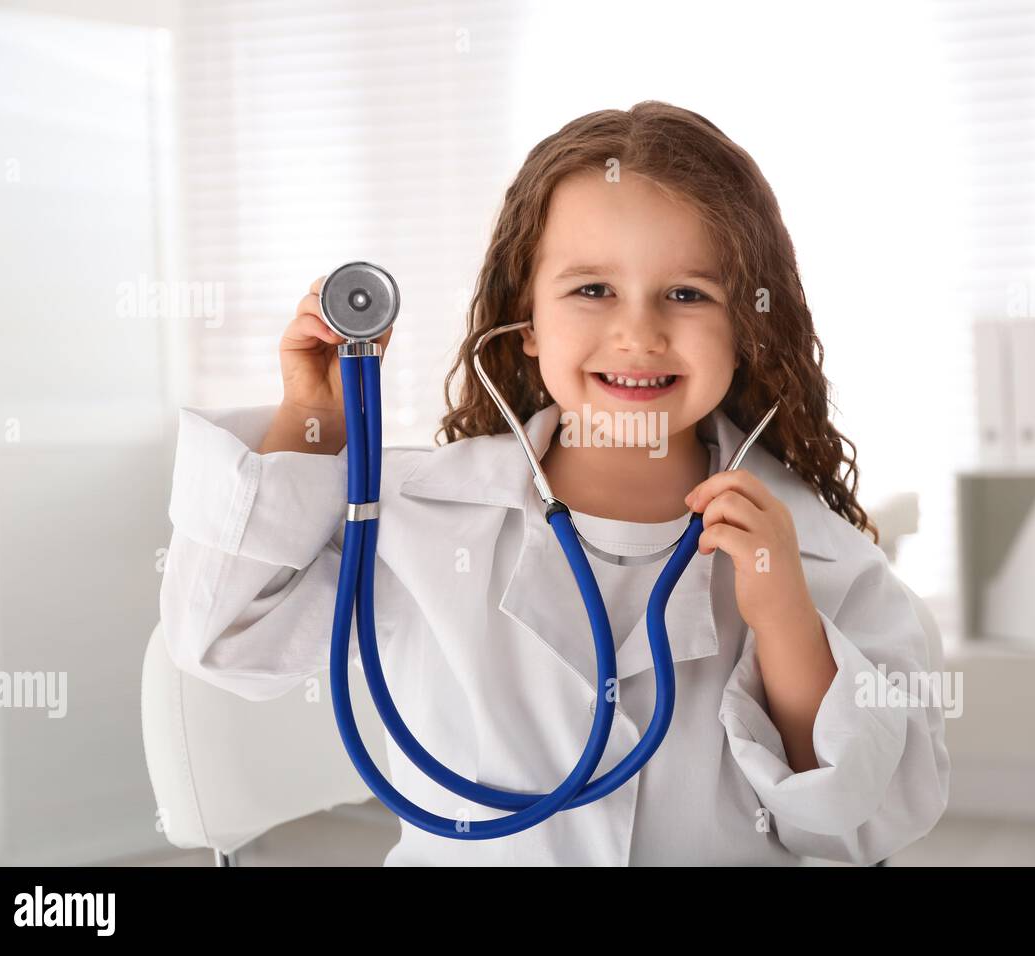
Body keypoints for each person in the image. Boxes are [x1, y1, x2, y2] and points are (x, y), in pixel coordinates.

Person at [160, 100, 950, 866]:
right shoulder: (411, 516)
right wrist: (313, 424)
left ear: (745, 329)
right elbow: (228, 640)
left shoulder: (823, 558)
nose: (638, 333)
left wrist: (785, 622)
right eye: (592, 290)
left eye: (687, 294)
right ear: (527, 322)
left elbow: (862, 821)